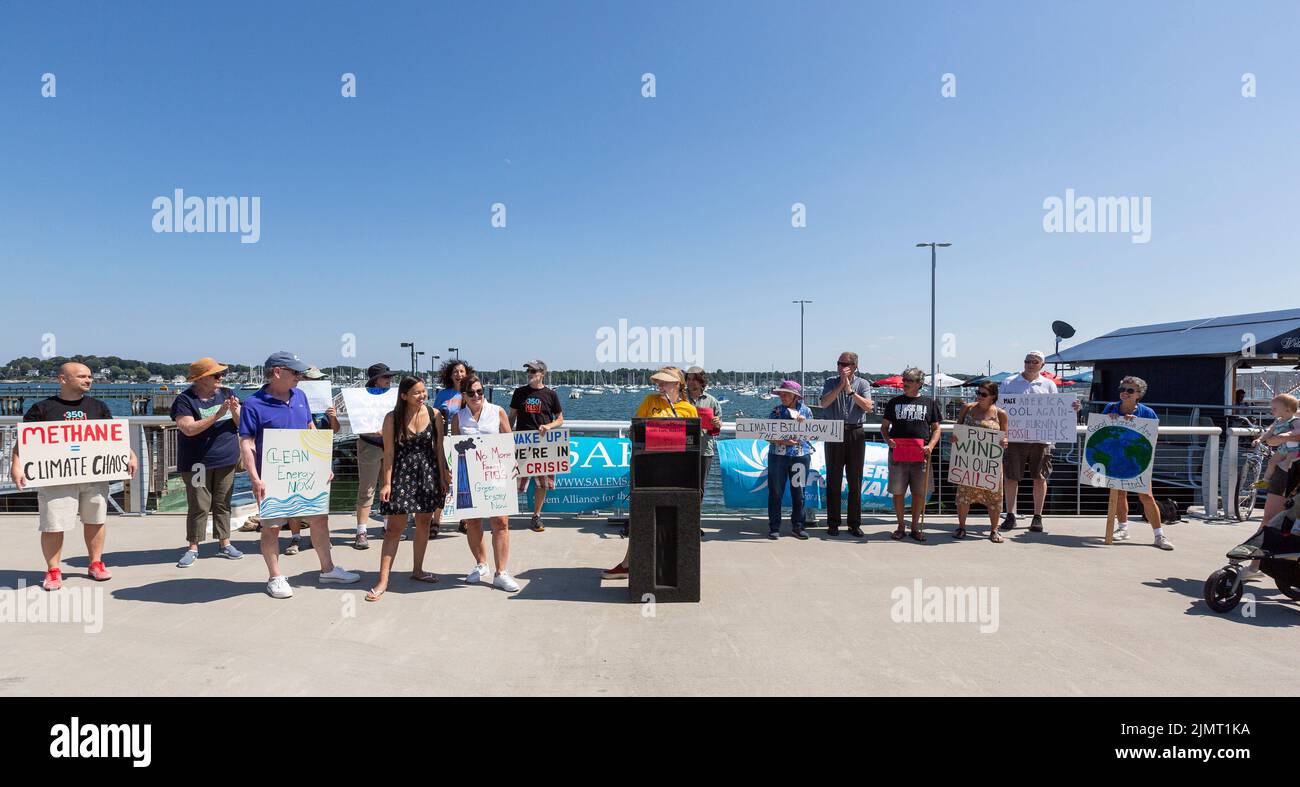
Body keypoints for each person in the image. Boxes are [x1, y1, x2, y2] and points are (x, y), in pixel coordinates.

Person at [239, 351, 360, 598]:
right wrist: (254, 478)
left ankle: (327, 569)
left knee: (319, 520)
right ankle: (275, 577)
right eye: (294, 372)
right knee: (271, 527)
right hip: (272, 476)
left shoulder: (301, 396)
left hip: (305, 472)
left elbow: (310, 430)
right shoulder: (253, 404)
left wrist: (322, 464)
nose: (299, 376)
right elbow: (247, 442)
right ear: (276, 372)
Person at [10, 362, 138, 591]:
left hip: (93, 476)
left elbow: (113, 438)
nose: (88, 380)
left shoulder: (98, 407)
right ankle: (53, 570)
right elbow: (25, 441)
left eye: (89, 376)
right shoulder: (42, 409)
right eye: (81, 376)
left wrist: (130, 454)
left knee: (96, 520)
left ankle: (96, 563)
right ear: (63, 379)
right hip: (56, 478)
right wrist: (16, 465)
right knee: (53, 524)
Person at [603, 367, 699, 580]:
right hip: (647, 468)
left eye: (665, 382)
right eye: (659, 382)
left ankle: (671, 568)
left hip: (676, 472)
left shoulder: (688, 409)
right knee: (640, 516)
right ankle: (628, 564)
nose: (660, 386)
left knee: (673, 519)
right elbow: (634, 429)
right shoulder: (650, 401)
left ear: (677, 385)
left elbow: (694, 440)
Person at [367, 376, 451, 600]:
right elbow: (389, 454)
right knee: (395, 527)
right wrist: (386, 482)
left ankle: (418, 570)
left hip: (427, 474)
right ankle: (383, 579)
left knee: (424, 522)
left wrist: (443, 475)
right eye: (416, 392)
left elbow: (439, 449)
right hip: (401, 475)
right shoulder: (392, 418)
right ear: (404, 395)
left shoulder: (435, 415)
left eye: (423, 391)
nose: (422, 395)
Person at [171, 357, 243, 567]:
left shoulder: (228, 394)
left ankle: (225, 543)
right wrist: (218, 414)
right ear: (201, 379)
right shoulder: (184, 400)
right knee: (199, 505)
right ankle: (193, 547)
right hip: (197, 463)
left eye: (221, 374)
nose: (221, 378)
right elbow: (188, 429)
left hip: (226, 459)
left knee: (223, 503)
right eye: (216, 375)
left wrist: (234, 411)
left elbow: (241, 423)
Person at [451, 374, 520, 592]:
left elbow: (509, 442)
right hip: (469, 476)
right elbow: (453, 448)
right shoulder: (458, 419)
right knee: (473, 522)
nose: (476, 396)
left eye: (480, 391)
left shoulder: (497, 411)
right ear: (464, 395)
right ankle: (481, 564)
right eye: (471, 393)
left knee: (500, 521)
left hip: (496, 473)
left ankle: (501, 572)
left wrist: (514, 466)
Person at [1000, 350, 1080, 533]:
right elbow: (1000, 409)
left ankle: (1038, 516)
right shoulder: (1008, 382)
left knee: (1040, 477)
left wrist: (1072, 408)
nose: (1030, 364)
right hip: (1015, 438)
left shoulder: (1049, 385)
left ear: (1042, 365)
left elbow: (1059, 410)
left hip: (1042, 439)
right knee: (1011, 477)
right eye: (1027, 360)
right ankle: (1010, 515)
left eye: (1034, 362)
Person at [1104, 376, 1173, 550]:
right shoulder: (1110, 408)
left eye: (1130, 390)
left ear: (1138, 394)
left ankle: (1159, 535)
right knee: (1119, 494)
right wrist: (1109, 420)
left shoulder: (1147, 412)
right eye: (1122, 389)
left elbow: (1153, 435)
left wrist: (1137, 424)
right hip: (1116, 458)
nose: (1124, 393)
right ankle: (1123, 528)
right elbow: (1101, 431)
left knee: (1146, 496)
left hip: (1137, 459)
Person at [880, 368, 941, 541]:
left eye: (910, 380)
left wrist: (931, 445)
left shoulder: (929, 403)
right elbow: (884, 427)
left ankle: (914, 527)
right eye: (904, 379)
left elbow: (936, 428)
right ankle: (900, 526)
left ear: (919, 383)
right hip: (898, 454)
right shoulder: (893, 402)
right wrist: (888, 440)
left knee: (919, 493)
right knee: (898, 492)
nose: (905, 383)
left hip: (921, 455)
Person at [818, 351, 874, 537]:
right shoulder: (830, 382)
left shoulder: (863, 383)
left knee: (855, 480)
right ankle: (833, 522)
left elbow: (868, 406)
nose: (841, 367)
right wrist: (841, 385)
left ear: (855, 366)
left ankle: (854, 523)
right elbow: (824, 403)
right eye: (839, 363)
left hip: (855, 432)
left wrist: (850, 390)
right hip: (834, 432)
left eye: (845, 364)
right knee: (833, 479)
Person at [286, 367, 340, 556]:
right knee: (294, 495)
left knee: (320, 497)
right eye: (312, 379)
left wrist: (333, 417)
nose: (316, 382)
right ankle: (296, 536)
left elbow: (336, 430)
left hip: (321, 453)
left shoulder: (326, 402)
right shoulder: (293, 399)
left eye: (319, 380)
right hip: (297, 451)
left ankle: (319, 536)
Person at [509, 360, 564, 532]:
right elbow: (511, 417)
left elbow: (560, 419)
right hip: (522, 444)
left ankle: (536, 516)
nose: (530, 374)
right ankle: (503, 516)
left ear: (542, 373)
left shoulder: (551, 394)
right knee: (513, 481)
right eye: (528, 371)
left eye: (533, 371)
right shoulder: (519, 393)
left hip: (543, 445)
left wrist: (549, 426)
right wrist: (505, 435)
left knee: (542, 484)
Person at [951, 382, 1009, 541]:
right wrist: (956, 437)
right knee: (964, 495)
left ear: (993, 397)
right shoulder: (968, 409)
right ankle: (961, 527)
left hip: (990, 464)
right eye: (978, 392)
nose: (979, 396)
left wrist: (1004, 442)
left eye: (983, 394)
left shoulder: (1001, 414)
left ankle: (994, 530)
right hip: (968, 462)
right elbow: (958, 428)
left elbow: (1005, 436)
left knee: (994, 497)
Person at [351, 362, 396, 550]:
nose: (389, 381)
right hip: (370, 445)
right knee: (367, 489)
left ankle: (387, 528)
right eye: (386, 377)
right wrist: (374, 432)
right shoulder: (361, 399)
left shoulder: (392, 398)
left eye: (390, 377)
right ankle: (361, 532)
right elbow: (359, 424)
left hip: (390, 446)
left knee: (389, 488)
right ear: (376, 380)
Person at [765, 381, 812, 540]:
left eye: (786, 394)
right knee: (775, 493)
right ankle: (774, 527)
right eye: (781, 394)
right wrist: (782, 441)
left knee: (799, 494)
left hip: (800, 456)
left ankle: (798, 526)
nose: (782, 396)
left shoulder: (806, 411)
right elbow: (767, 435)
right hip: (777, 456)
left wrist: (803, 426)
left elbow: (813, 435)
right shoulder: (776, 411)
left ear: (795, 396)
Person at [433, 359, 474, 536]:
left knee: (464, 480)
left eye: (462, 371)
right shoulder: (443, 395)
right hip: (444, 441)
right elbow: (433, 416)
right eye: (455, 372)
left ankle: (464, 519)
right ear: (450, 375)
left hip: (466, 443)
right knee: (442, 479)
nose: (459, 375)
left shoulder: (472, 393)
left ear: (467, 374)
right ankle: (436, 520)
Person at [686, 366, 722, 499]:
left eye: (694, 379)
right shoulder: (680, 399)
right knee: (682, 485)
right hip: (683, 449)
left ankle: (695, 517)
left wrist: (717, 424)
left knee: (700, 487)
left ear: (702, 381)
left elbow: (717, 429)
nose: (690, 382)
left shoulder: (712, 401)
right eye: (688, 379)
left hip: (704, 449)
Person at [1254, 394, 1299, 489]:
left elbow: (1298, 429)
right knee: (1271, 462)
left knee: (1289, 463)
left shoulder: (1294, 420)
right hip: (1283, 448)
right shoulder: (1278, 421)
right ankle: (1265, 481)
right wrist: (1260, 439)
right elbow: (1269, 432)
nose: (1272, 411)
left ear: (1287, 410)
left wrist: (1287, 434)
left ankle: (1288, 484)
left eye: (1275, 409)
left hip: (1294, 448)